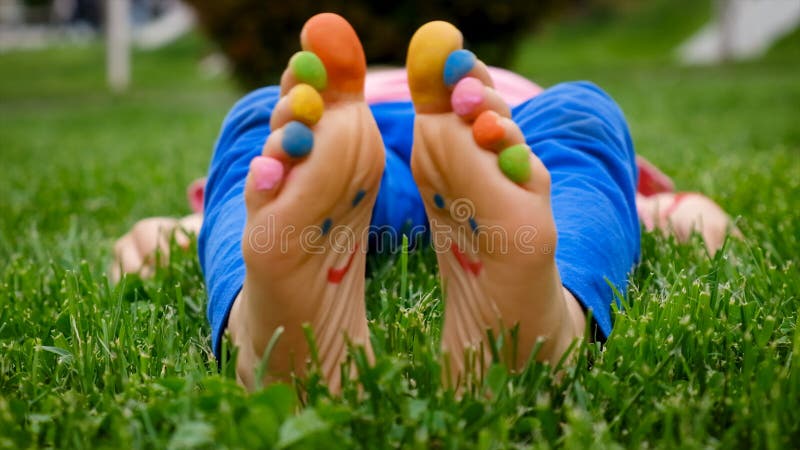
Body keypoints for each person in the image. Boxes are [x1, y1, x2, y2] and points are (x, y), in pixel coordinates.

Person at [112, 13, 738, 391]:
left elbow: (232, 204)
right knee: (582, 117)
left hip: (485, 138)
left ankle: (258, 333)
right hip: (430, 143)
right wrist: (676, 210)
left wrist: (184, 228)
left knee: (258, 126)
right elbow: (611, 197)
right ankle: (556, 324)